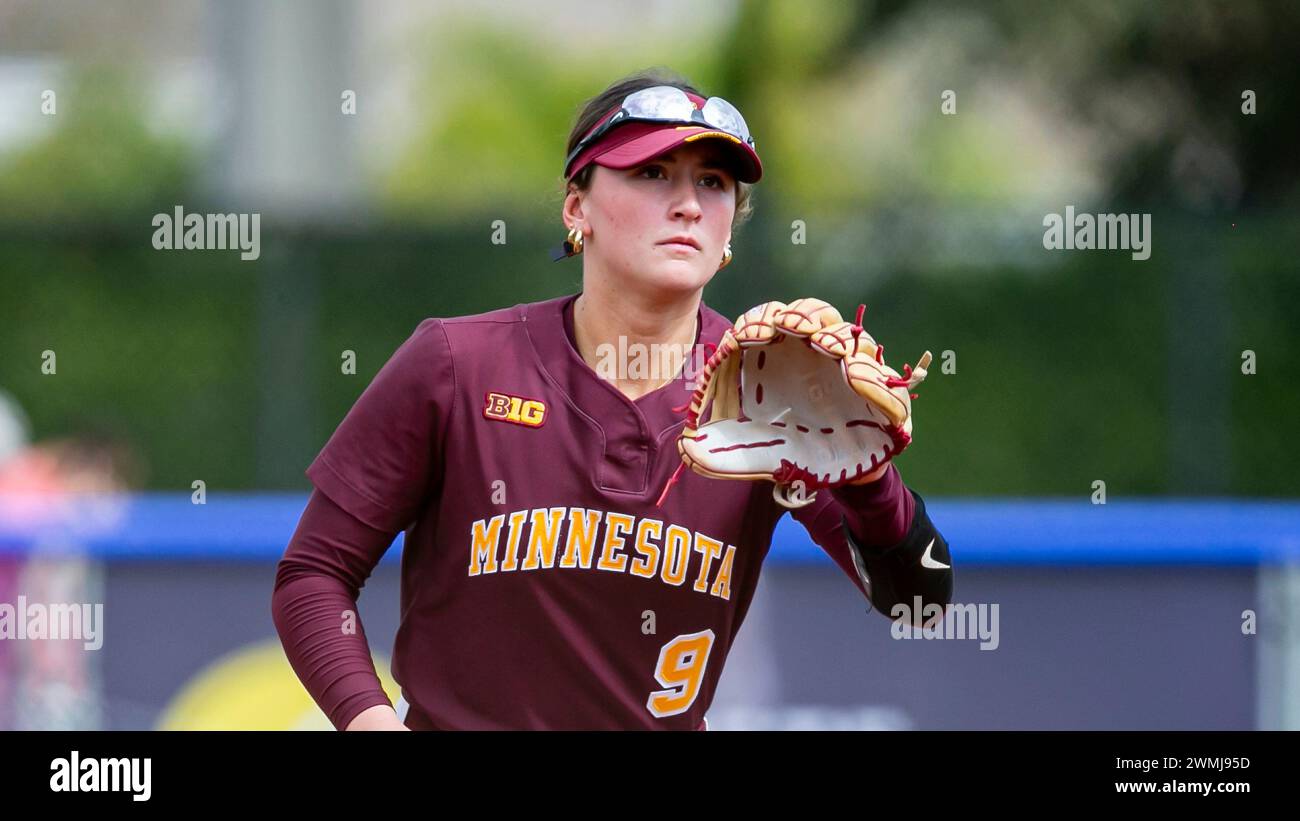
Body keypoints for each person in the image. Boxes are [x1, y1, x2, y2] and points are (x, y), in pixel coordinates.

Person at [271, 68, 952, 731]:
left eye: (712, 183)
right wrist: (369, 720)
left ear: (728, 236)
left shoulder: (766, 391)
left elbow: (922, 605)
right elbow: (312, 575)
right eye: (652, 172)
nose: (687, 203)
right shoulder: (458, 364)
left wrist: (868, 483)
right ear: (577, 208)